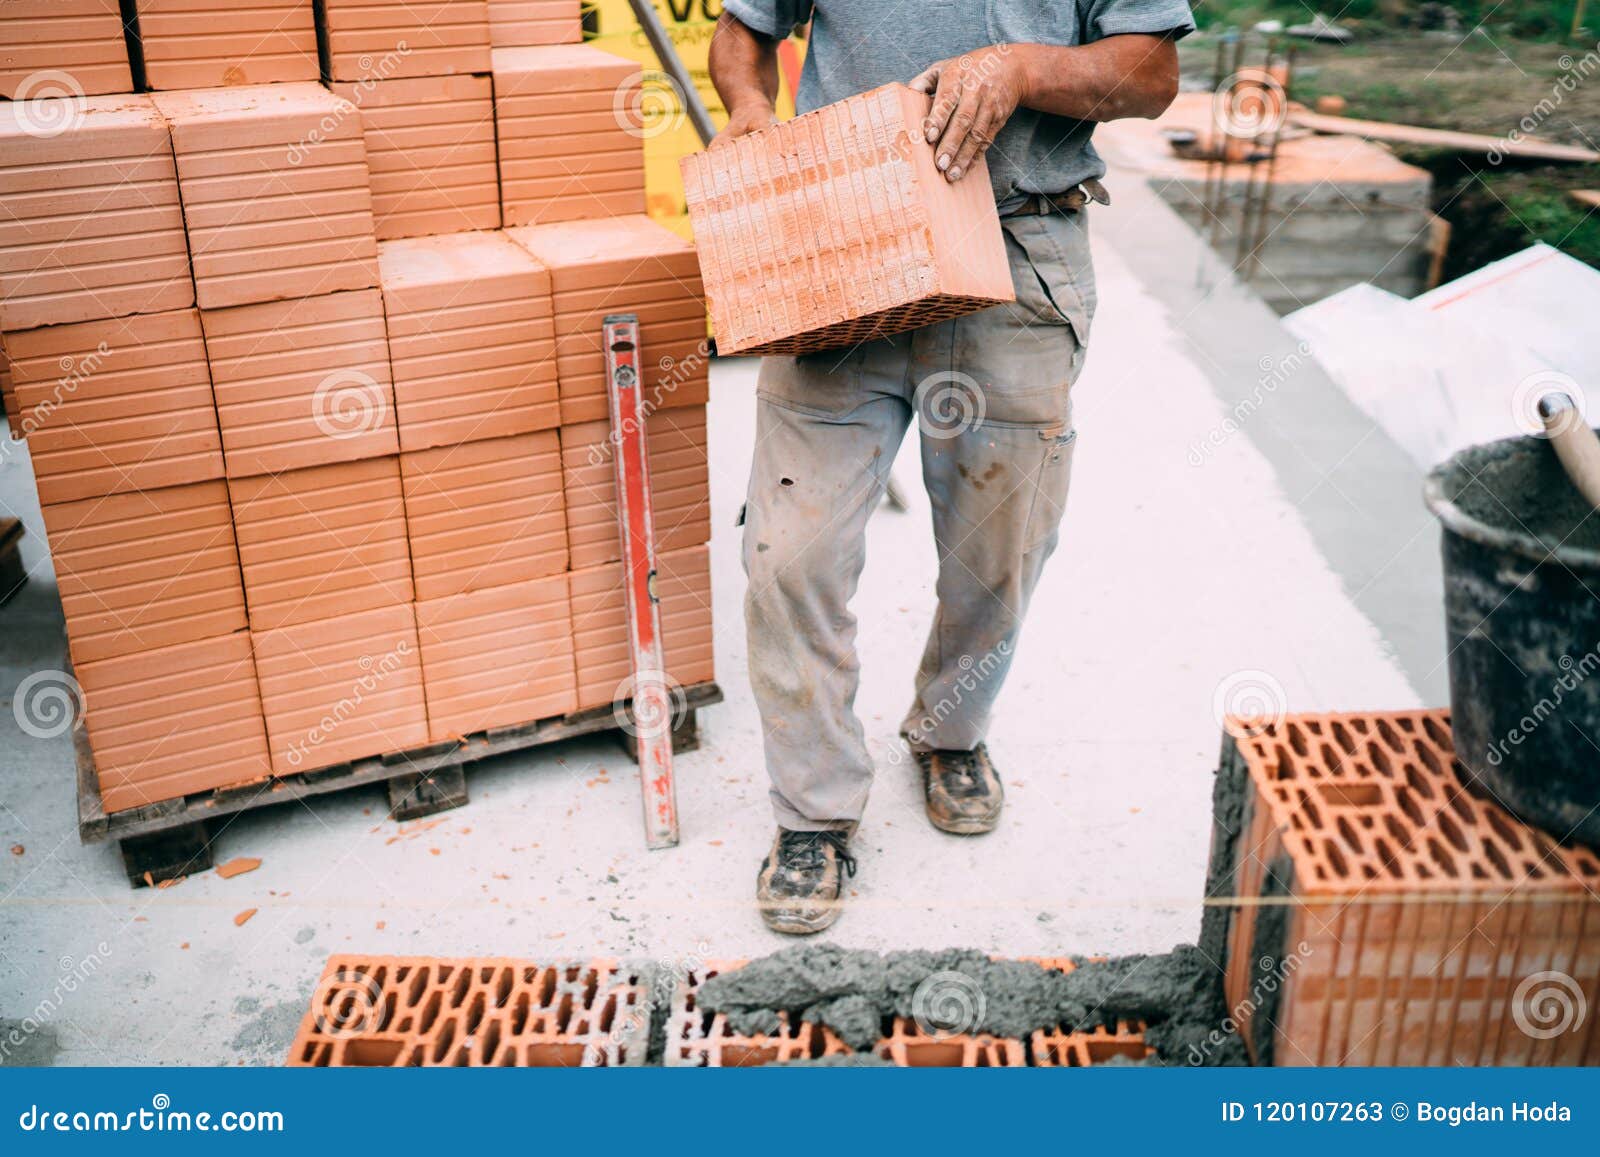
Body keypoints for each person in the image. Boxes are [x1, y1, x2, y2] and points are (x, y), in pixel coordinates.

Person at [706, 1, 1193, 934]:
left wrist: (1021, 69)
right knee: (790, 553)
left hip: (1018, 244)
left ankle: (950, 731)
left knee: (1000, 549)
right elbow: (745, 27)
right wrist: (750, 109)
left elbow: (1153, 74)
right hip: (843, 233)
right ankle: (813, 809)